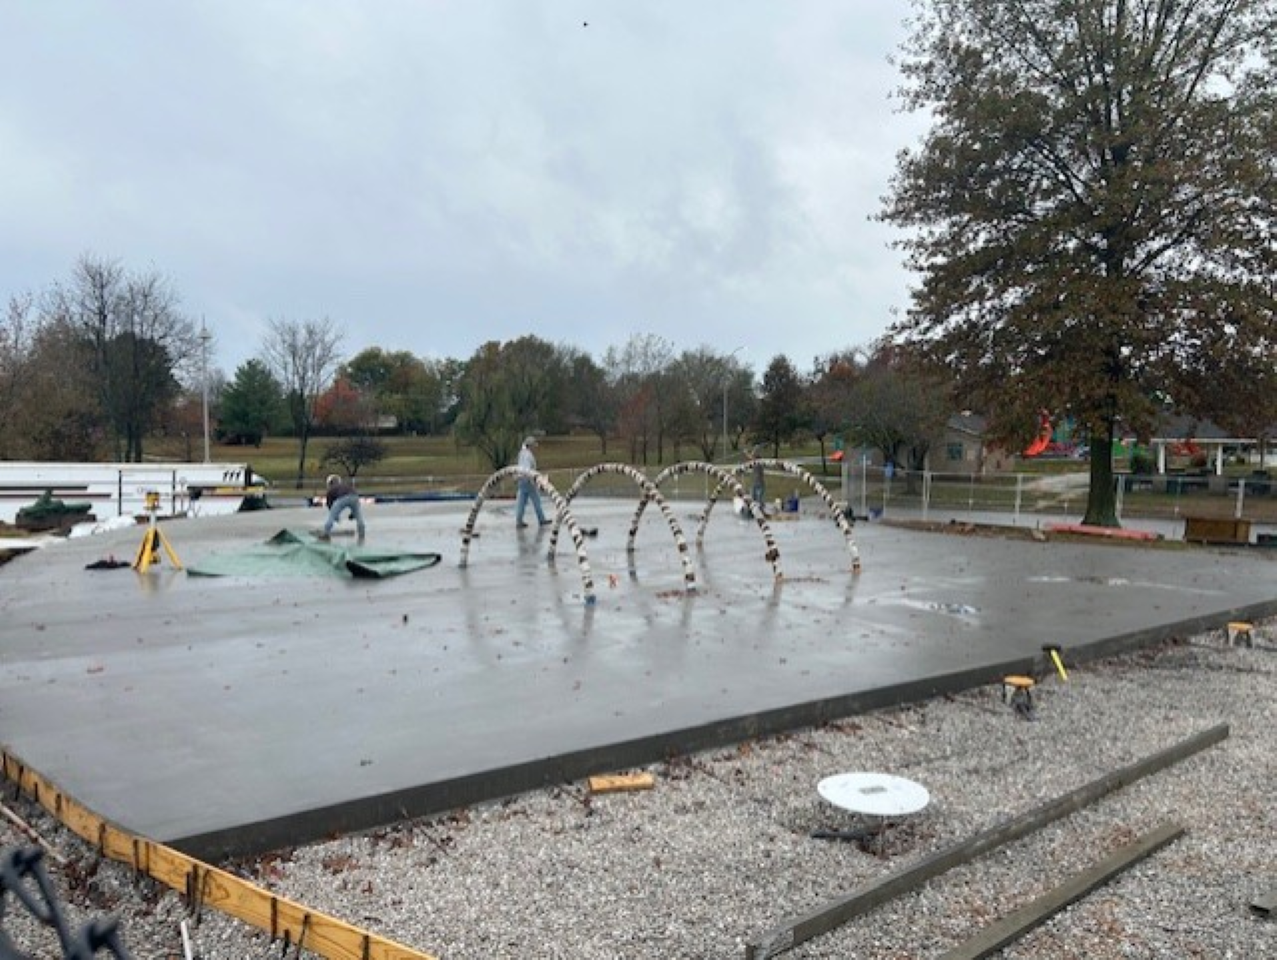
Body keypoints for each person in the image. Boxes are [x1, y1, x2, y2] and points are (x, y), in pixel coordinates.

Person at [318, 473, 365, 541]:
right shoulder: (346, 485)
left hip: (343, 497)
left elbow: (329, 505)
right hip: (355, 497)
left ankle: (326, 534)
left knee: (331, 517)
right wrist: (353, 514)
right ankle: (362, 534)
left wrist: (335, 516)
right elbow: (356, 503)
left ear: (330, 483)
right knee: (359, 517)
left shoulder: (331, 489)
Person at [515, 436, 550, 528]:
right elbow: (527, 469)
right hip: (529, 481)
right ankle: (541, 519)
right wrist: (532, 479)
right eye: (534, 446)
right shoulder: (528, 455)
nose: (535, 448)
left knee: (521, 502)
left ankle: (519, 521)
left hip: (522, 481)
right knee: (536, 501)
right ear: (530, 445)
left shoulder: (522, 453)